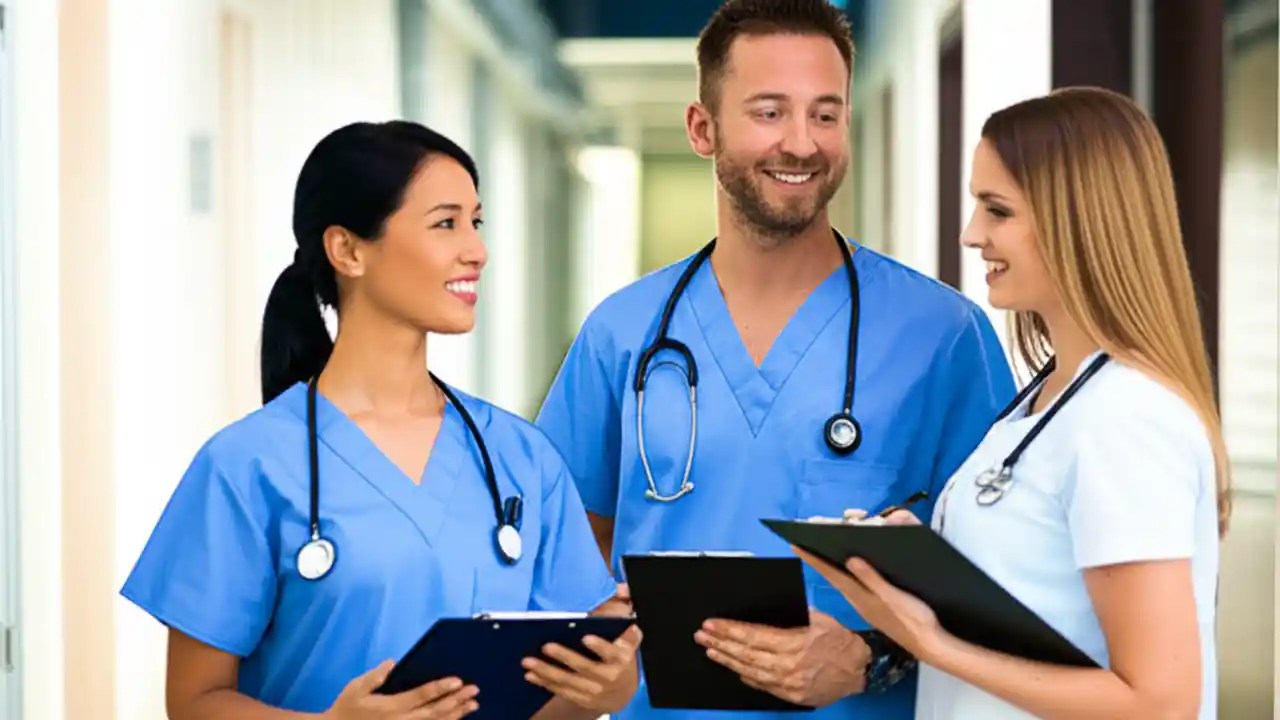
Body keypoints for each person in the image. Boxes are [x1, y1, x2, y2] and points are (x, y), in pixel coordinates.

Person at [534, 1, 1015, 718]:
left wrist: (871, 660)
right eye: (769, 112)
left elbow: (1004, 599)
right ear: (703, 128)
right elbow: (559, 575)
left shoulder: (944, 336)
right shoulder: (623, 334)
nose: (802, 143)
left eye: (826, 114)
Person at [120, 120, 642, 719]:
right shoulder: (247, 465)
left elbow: (564, 692)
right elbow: (193, 703)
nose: (476, 249)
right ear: (347, 250)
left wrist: (607, 690)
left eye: (476, 222)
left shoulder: (520, 458)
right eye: (446, 223)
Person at [795, 87, 1230, 720]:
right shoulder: (1049, 397)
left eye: (997, 210)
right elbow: (1042, 600)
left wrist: (931, 643)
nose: (972, 235)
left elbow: (1160, 703)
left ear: (1080, 221)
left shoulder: (1126, 418)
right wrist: (924, 568)